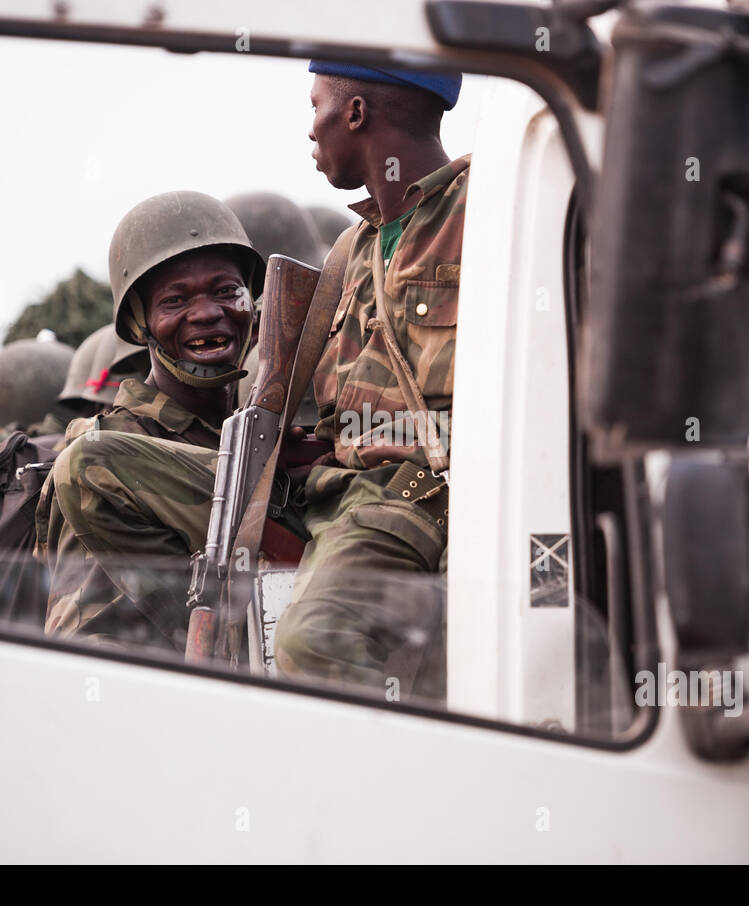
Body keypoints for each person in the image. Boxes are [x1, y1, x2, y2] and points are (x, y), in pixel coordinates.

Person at [268, 62, 469, 701]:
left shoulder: (481, 211)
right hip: (329, 487)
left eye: (317, 106)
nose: (311, 130)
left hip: (413, 494)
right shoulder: (349, 252)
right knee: (94, 470)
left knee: (312, 643)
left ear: (354, 114)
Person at [36, 191, 266, 649]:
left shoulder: (270, 413)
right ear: (140, 324)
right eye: (175, 301)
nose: (205, 313)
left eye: (226, 291)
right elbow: (87, 644)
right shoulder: (109, 466)